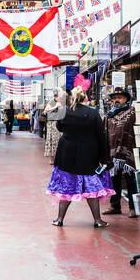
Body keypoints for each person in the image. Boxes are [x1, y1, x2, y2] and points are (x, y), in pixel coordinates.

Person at [46, 85, 114, 227]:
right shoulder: (93, 113)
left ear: (72, 98)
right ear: (86, 98)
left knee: (66, 187)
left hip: (67, 154)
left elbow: (60, 127)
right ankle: (97, 220)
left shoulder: (65, 111)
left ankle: (59, 219)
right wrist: (104, 158)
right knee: (92, 189)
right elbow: (101, 136)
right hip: (89, 155)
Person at [104, 85, 138, 217]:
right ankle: (115, 205)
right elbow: (105, 131)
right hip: (113, 152)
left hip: (128, 150)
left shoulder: (132, 112)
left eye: (119, 97)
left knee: (131, 180)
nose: (117, 100)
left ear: (126, 99)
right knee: (114, 179)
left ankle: (133, 207)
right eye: (115, 98)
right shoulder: (109, 115)